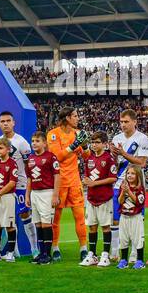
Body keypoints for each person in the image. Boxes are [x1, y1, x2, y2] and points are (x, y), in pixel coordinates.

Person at [47, 108, 89, 262]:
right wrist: (73, 146)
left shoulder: (77, 133)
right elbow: (56, 156)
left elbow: (86, 156)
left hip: (74, 181)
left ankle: (84, 249)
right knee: (56, 219)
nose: (78, 118)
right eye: (75, 116)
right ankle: (55, 248)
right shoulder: (53, 134)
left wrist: (84, 146)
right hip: (59, 182)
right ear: (67, 118)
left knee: (80, 217)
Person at [108, 109, 148, 262]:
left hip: (136, 185)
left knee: (137, 219)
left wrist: (123, 153)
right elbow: (114, 162)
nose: (123, 124)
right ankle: (115, 252)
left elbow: (142, 162)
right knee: (116, 219)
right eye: (121, 122)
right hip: (118, 183)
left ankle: (135, 253)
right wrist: (113, 154)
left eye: (126, 121)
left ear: (134, 122)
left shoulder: (142, 138)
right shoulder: (117, 137)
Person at [0, 111, 34, 257]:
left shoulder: (21, 142)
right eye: (2, 121)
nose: (5, 123)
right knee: (7, 218)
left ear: (13, 123)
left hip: (21, 184)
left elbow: (28, 165)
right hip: (5, 188)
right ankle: (13, 251)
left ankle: (34, 249)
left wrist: (29, 185)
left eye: (8, 121)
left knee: (25, 214)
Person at [82, 132, 117, 266]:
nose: (94, 144)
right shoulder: (89, 159)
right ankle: (92, 255)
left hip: (104, 198)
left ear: (104, 144)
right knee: (92, 227)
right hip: (91, 198)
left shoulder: (108, 158)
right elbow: (86, 177)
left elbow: (113, 178)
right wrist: (85, 181)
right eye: (93, 142)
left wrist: (94, 183)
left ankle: (105, 255)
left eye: (97, 142)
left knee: (106, 227)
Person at [27, 129, 59, 264]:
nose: (34, 143)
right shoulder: (31, 158)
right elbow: (29, 178)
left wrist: (55, 195)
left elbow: (57, 176)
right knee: (38, 224)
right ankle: (41, 253)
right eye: (33, 141)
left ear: (44, 143)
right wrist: (27, 195)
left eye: (37, 141)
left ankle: (47, 254)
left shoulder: (51, 157)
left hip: (47, 193)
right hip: (35, 193)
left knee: (46, 224)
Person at [116, 164, 147, 270]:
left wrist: (128, 192)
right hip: (124, 216)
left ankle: (140, 260)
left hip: (135, 217)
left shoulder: (140, 189)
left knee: (138, 239)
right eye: (128, 173)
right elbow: (120, 202)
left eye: (133, 173)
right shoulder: (123, 186)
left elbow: (139, 202)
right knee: (123, 239)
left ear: (138, 176)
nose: (130, 175)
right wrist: (123, 193)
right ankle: (124, 260)